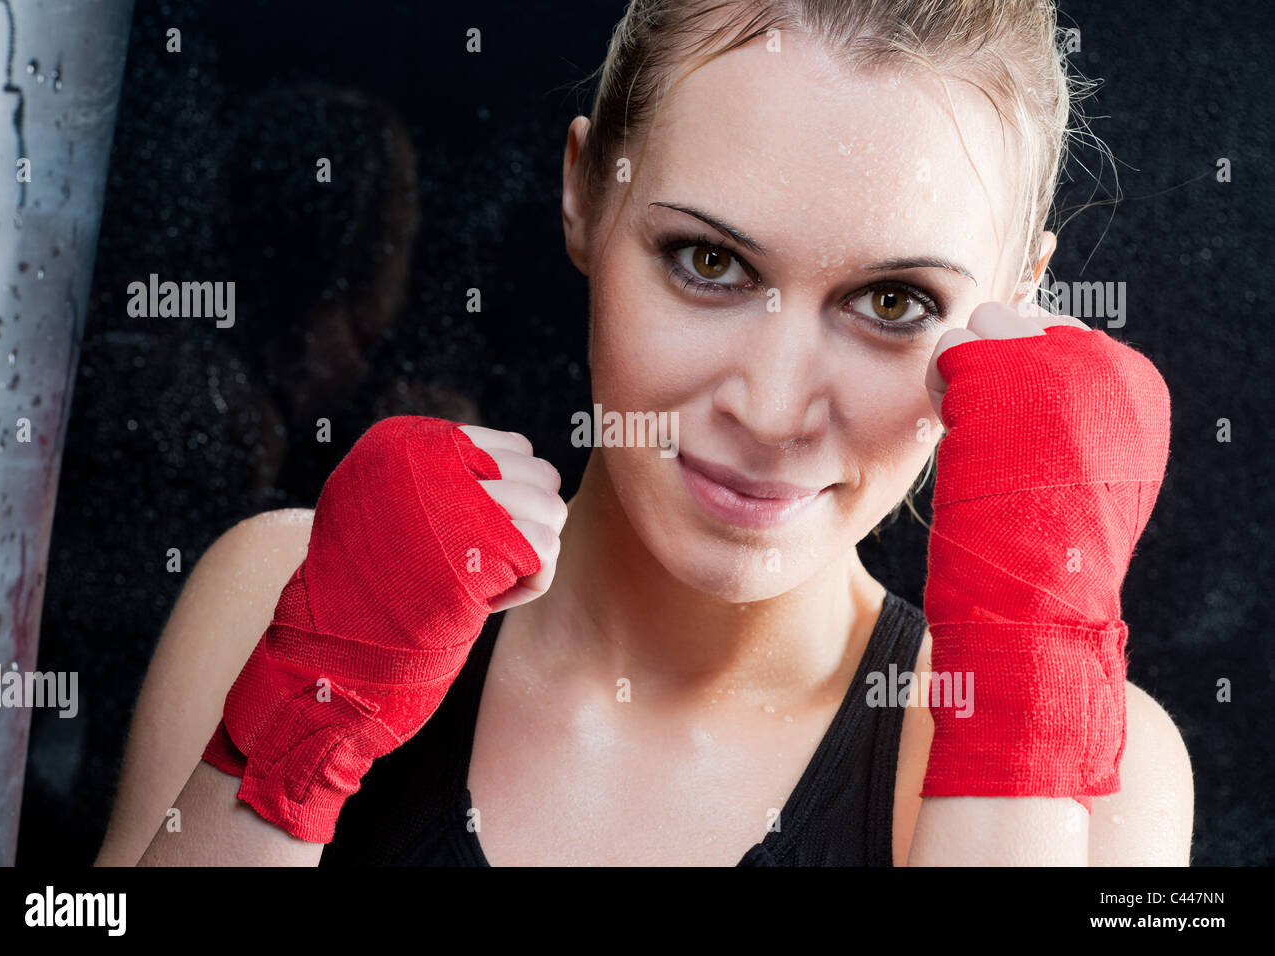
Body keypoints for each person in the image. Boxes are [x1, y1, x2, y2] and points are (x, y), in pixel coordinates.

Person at [95, 0, 1192, 867]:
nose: (769, 408)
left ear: (1021, 303)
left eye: (894, 301)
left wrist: (1021, 717)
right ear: (583, 193)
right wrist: (295, 731)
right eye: (709, 262)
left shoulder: (1108, 772)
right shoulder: (271, 594)